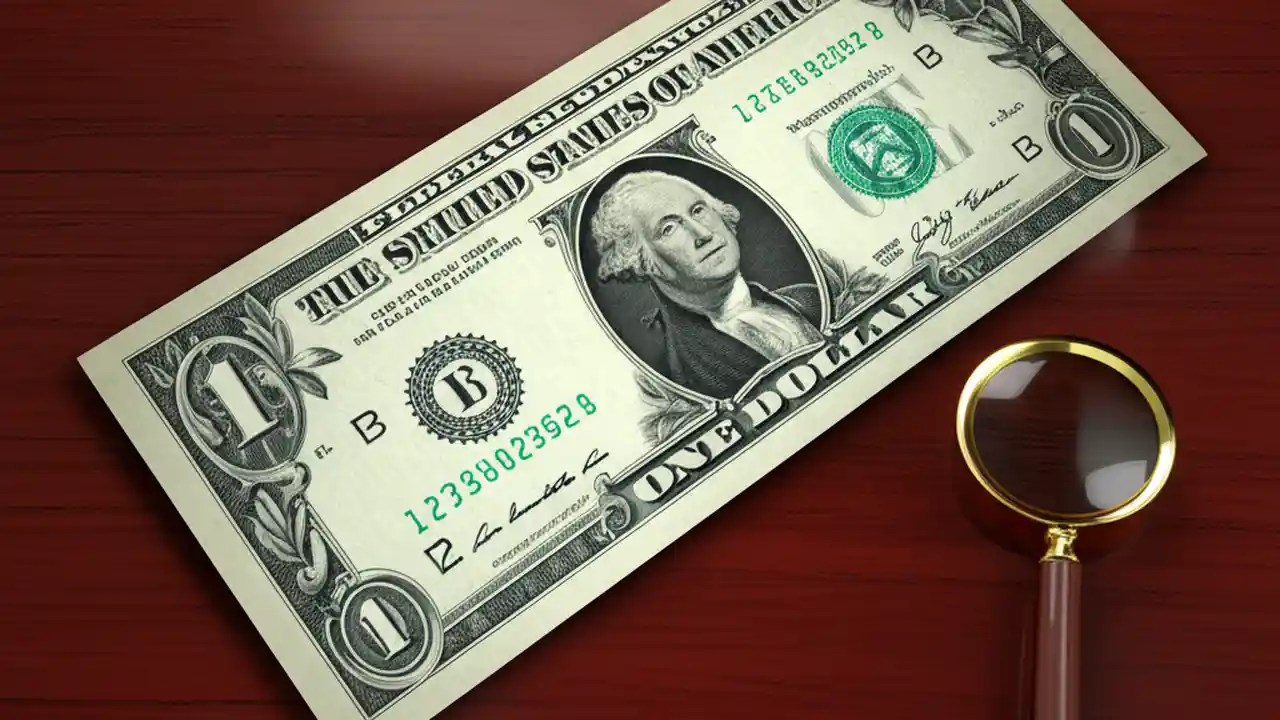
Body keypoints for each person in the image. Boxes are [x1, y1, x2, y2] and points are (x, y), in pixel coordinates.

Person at [590, 170, 823, 399]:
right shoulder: (678, 380)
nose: (703, 234)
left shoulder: (809, 299)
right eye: (669, 229)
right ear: (639, 262)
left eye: (698, 210)